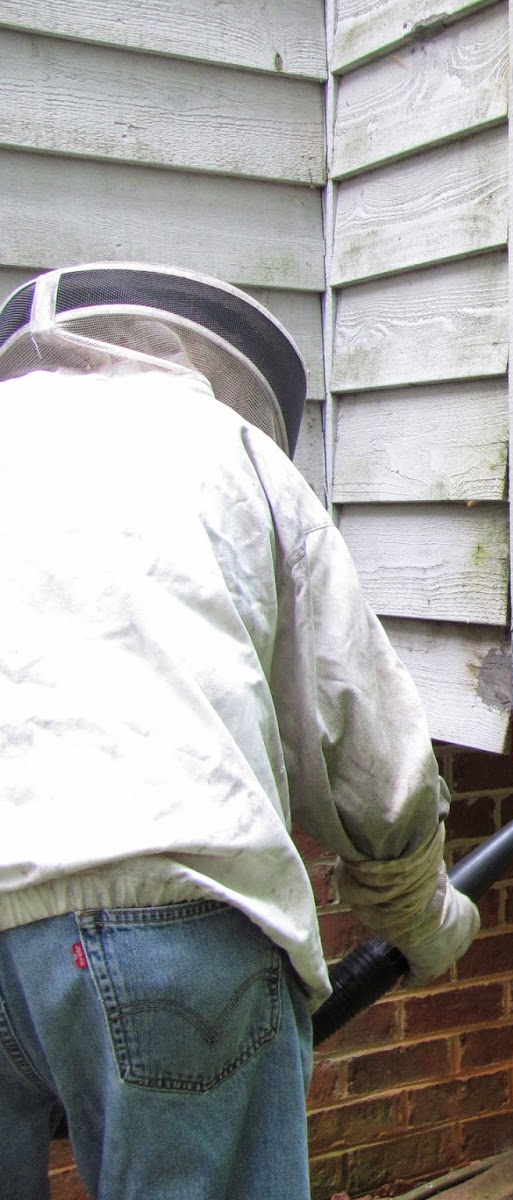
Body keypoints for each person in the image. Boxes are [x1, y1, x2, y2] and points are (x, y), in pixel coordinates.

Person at [0, 262, 481, 1200]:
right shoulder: (232, 453)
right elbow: (362, 746)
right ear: (229, 373)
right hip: (170, 920)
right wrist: (425, 920)